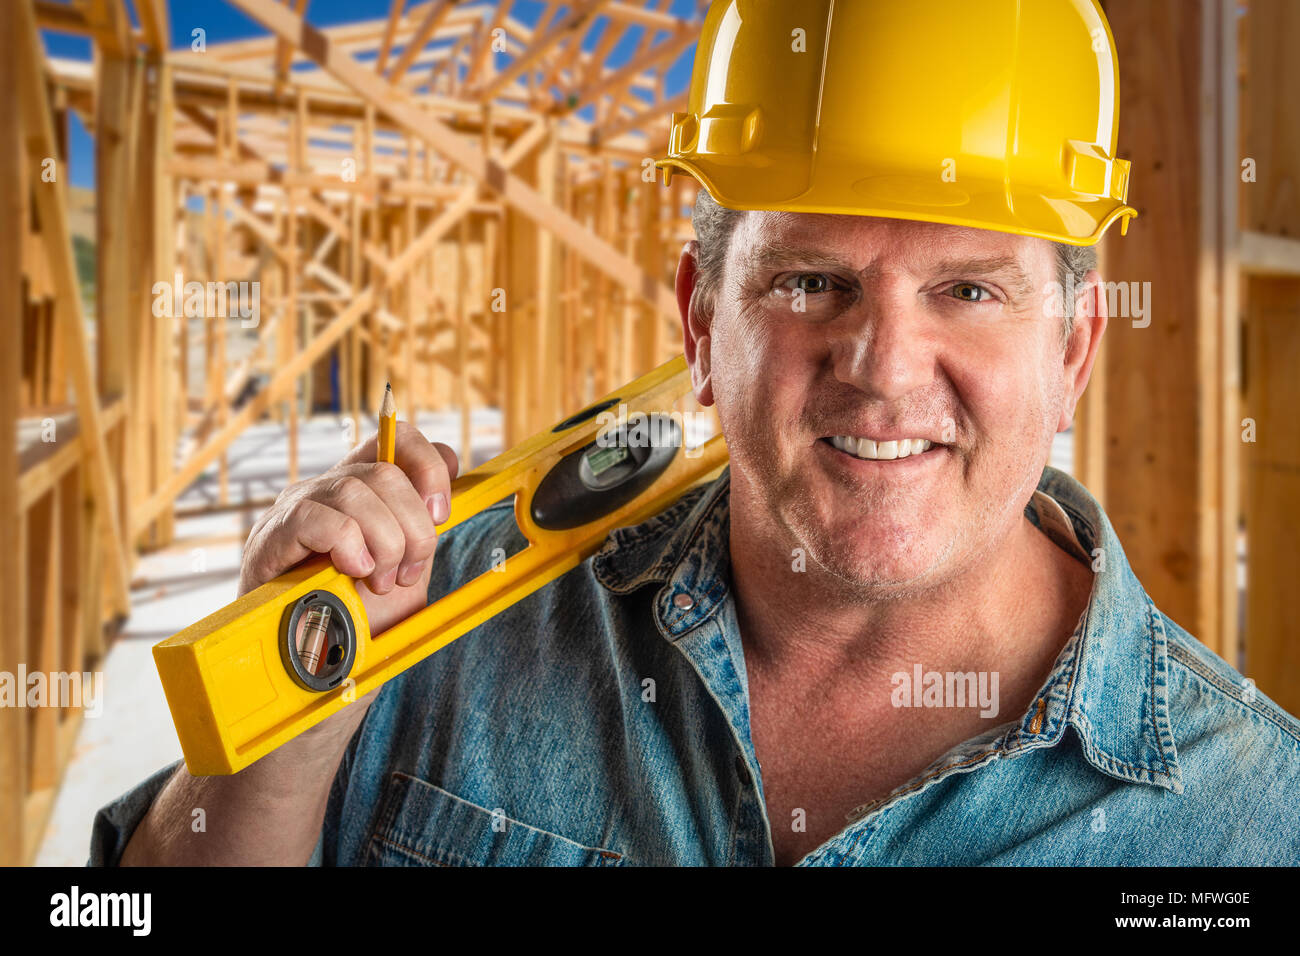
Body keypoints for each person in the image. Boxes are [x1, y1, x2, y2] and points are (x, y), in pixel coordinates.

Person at [91, 0, 1300, 866]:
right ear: (700, 322)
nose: (881, 369)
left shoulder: (1248, 818)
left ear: (1074, 349)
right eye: (811, 281)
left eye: (968, 290)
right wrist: (269, 768)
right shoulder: (429, 620)